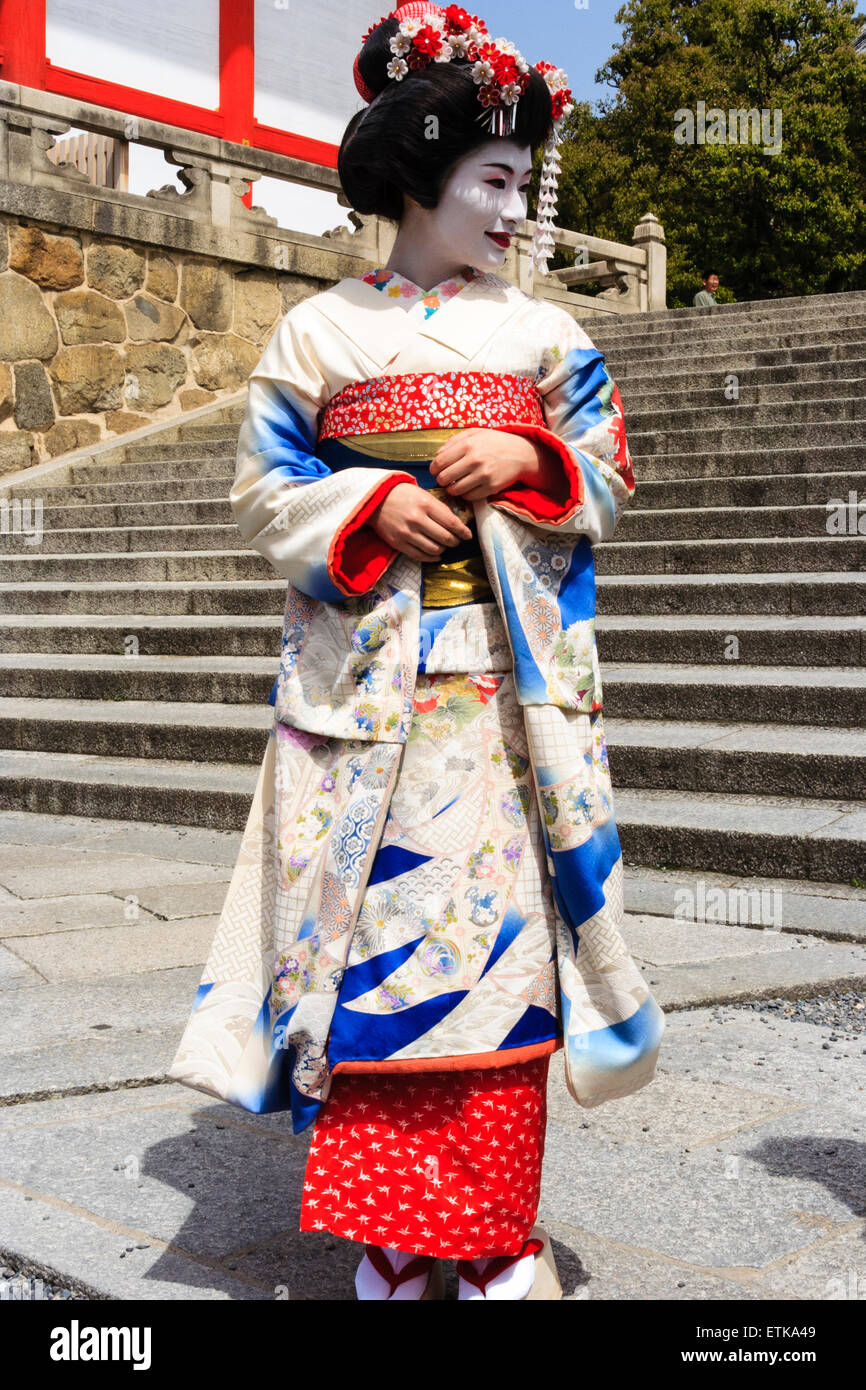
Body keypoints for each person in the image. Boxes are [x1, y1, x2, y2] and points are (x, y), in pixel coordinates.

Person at [168, 0, 666, 1301]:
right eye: (493, 181)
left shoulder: (547, 339)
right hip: (362, 702)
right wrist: (363, 502)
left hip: (498, 707)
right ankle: (394, 1240)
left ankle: (494, 1234)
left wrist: (533, 454)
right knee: (369, 956)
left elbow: (606, 467)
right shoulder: (315, 336)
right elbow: (263, 493)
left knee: (495, 970)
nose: (515, 214)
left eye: (519, 184)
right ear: (415, 174)